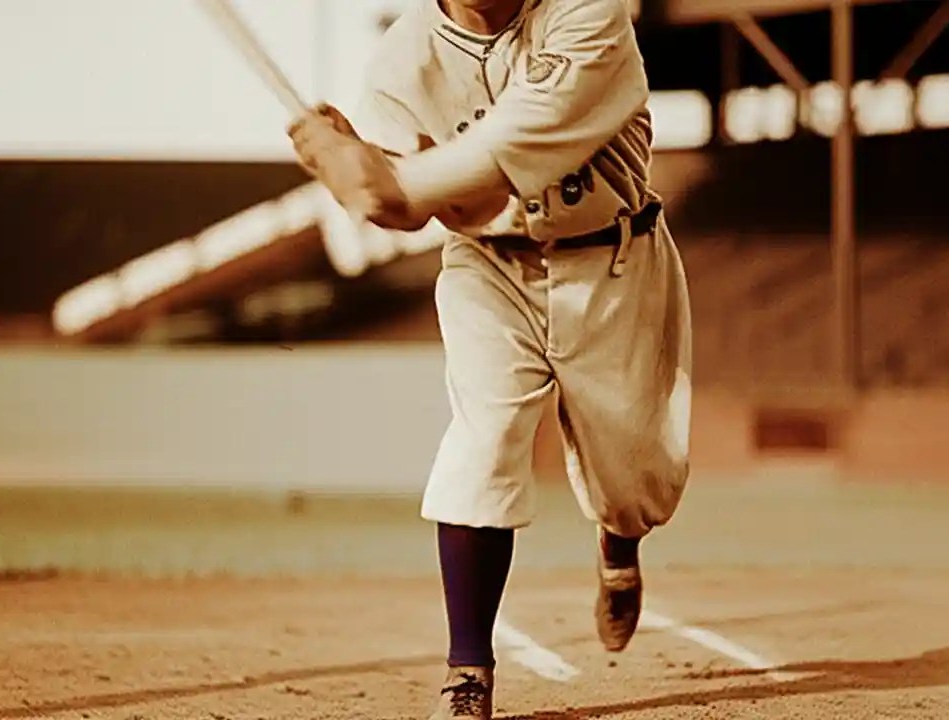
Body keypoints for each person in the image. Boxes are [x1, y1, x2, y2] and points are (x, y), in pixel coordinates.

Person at [288, 0, 693, 716]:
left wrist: (386, 180)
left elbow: (505, 150)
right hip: (489, 264)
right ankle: (467, 669)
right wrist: (350, 167)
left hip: (614, 260)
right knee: (484, 442)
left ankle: (618, 538)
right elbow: (415, 208)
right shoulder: (402, 59)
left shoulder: (588, 13)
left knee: (635, 483)